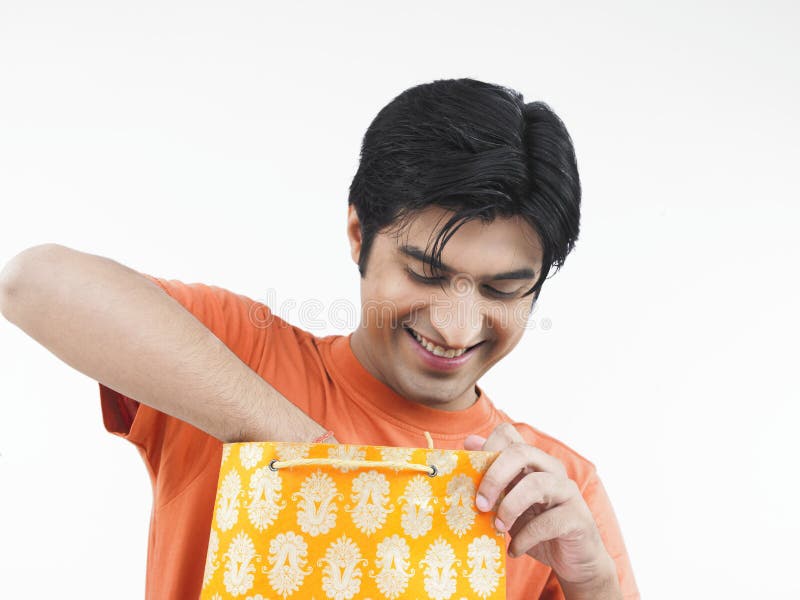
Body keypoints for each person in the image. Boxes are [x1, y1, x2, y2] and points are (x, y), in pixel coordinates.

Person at [0, 77, 639, 599]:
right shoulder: (244, 358)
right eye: (425, 272)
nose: (456, 327)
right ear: (359, 234)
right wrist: (308, 451)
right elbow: (32, 281)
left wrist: (594, 582)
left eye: (503, 290)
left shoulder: (552, 489)